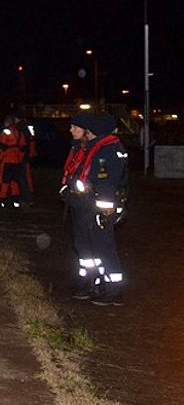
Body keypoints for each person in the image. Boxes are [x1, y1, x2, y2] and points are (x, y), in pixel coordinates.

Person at [62, 113, 128, 306]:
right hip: (83, 206)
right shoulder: (86, 148)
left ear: (88, 131)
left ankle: (114, 290)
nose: (71, 130)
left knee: (103, 248)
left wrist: (104, 213)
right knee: (84, 245)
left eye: (75, 127)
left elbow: (106, 184)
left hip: (98, 209)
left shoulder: (106, 151)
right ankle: (92, 282)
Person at [0, 114, 29, 208]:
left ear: (7, 122)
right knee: (15, 181)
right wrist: (19, 159)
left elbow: (1, 148)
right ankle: (15, 201)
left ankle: (0, 200)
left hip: (7, 160)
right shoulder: (19, 132)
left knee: (4, 181)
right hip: (17, 161)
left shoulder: (5, 132)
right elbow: (23, 148)